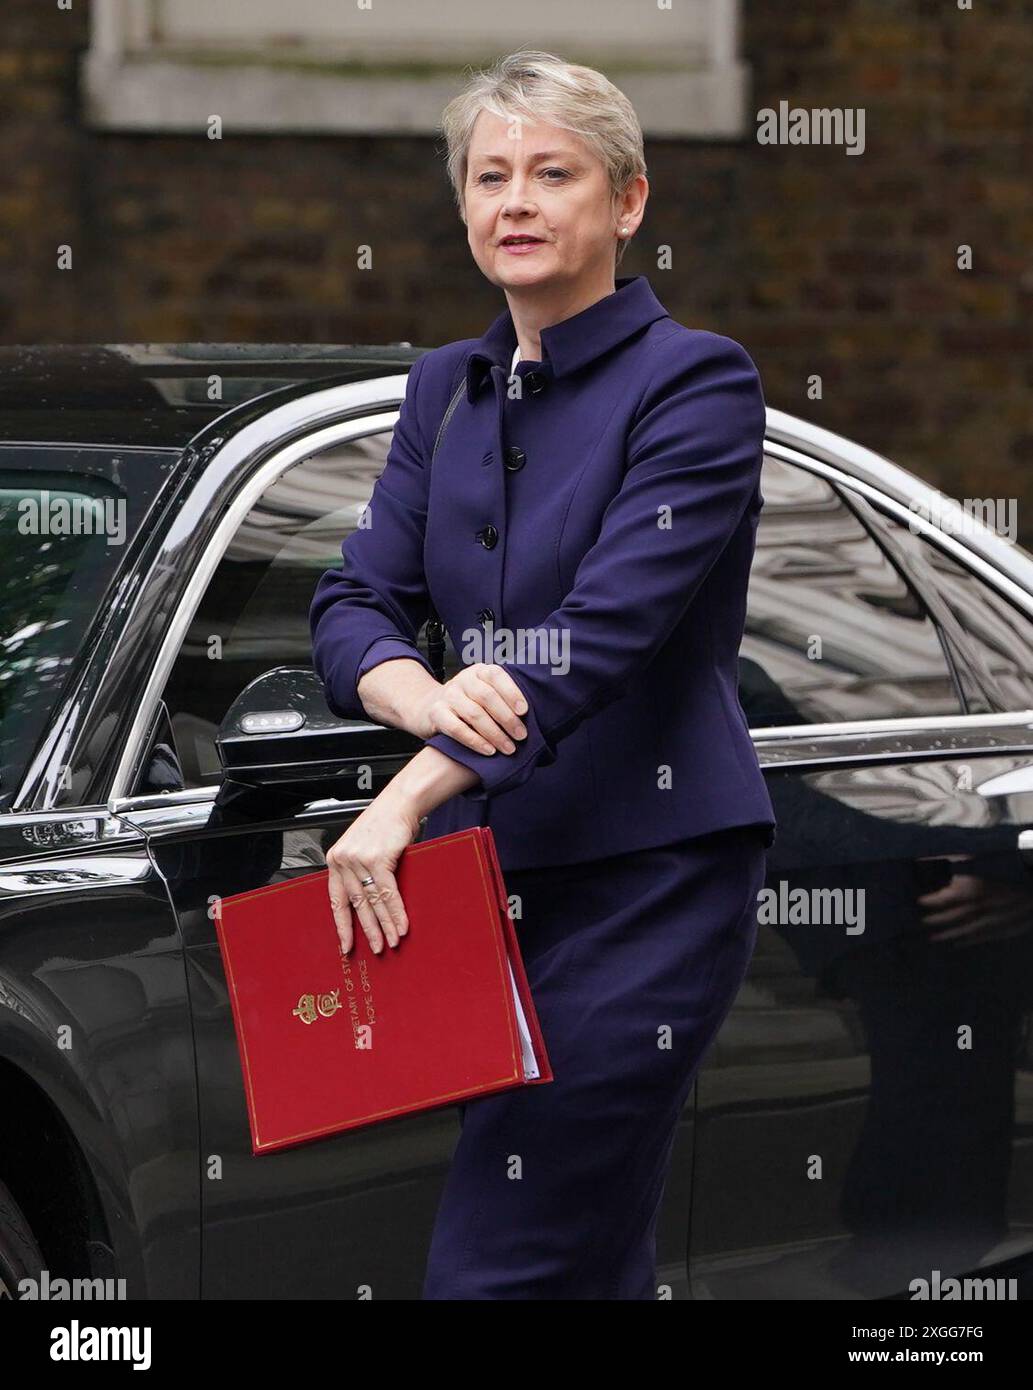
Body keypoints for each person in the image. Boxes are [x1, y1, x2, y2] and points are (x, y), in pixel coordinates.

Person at [308, 49, 776, 1300]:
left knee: (503, 1264)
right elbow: (354, 599)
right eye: (488, 175)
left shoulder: (696, 381)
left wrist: (402, 798)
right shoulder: (443, 390)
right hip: (482, 890)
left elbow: (594, 637)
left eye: (551, 173)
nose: (514, 201)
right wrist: (422, 695)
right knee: (581, 1256)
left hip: (646, 883)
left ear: (626, 202)